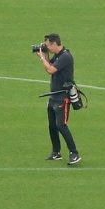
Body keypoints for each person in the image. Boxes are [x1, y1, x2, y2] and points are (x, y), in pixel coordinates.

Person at [35, 33, 80, 165]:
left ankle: (74, 153)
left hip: (62, 97)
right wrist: (46, 57)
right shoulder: (59, 55)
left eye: (48, 45)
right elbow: (50, 66)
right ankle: (56, 152)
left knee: (61, 125)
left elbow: (50, 70)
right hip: (54, 95)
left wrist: (42, 58)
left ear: (55, 44)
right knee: (52, 125)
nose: (46, 47)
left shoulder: (65, 56)